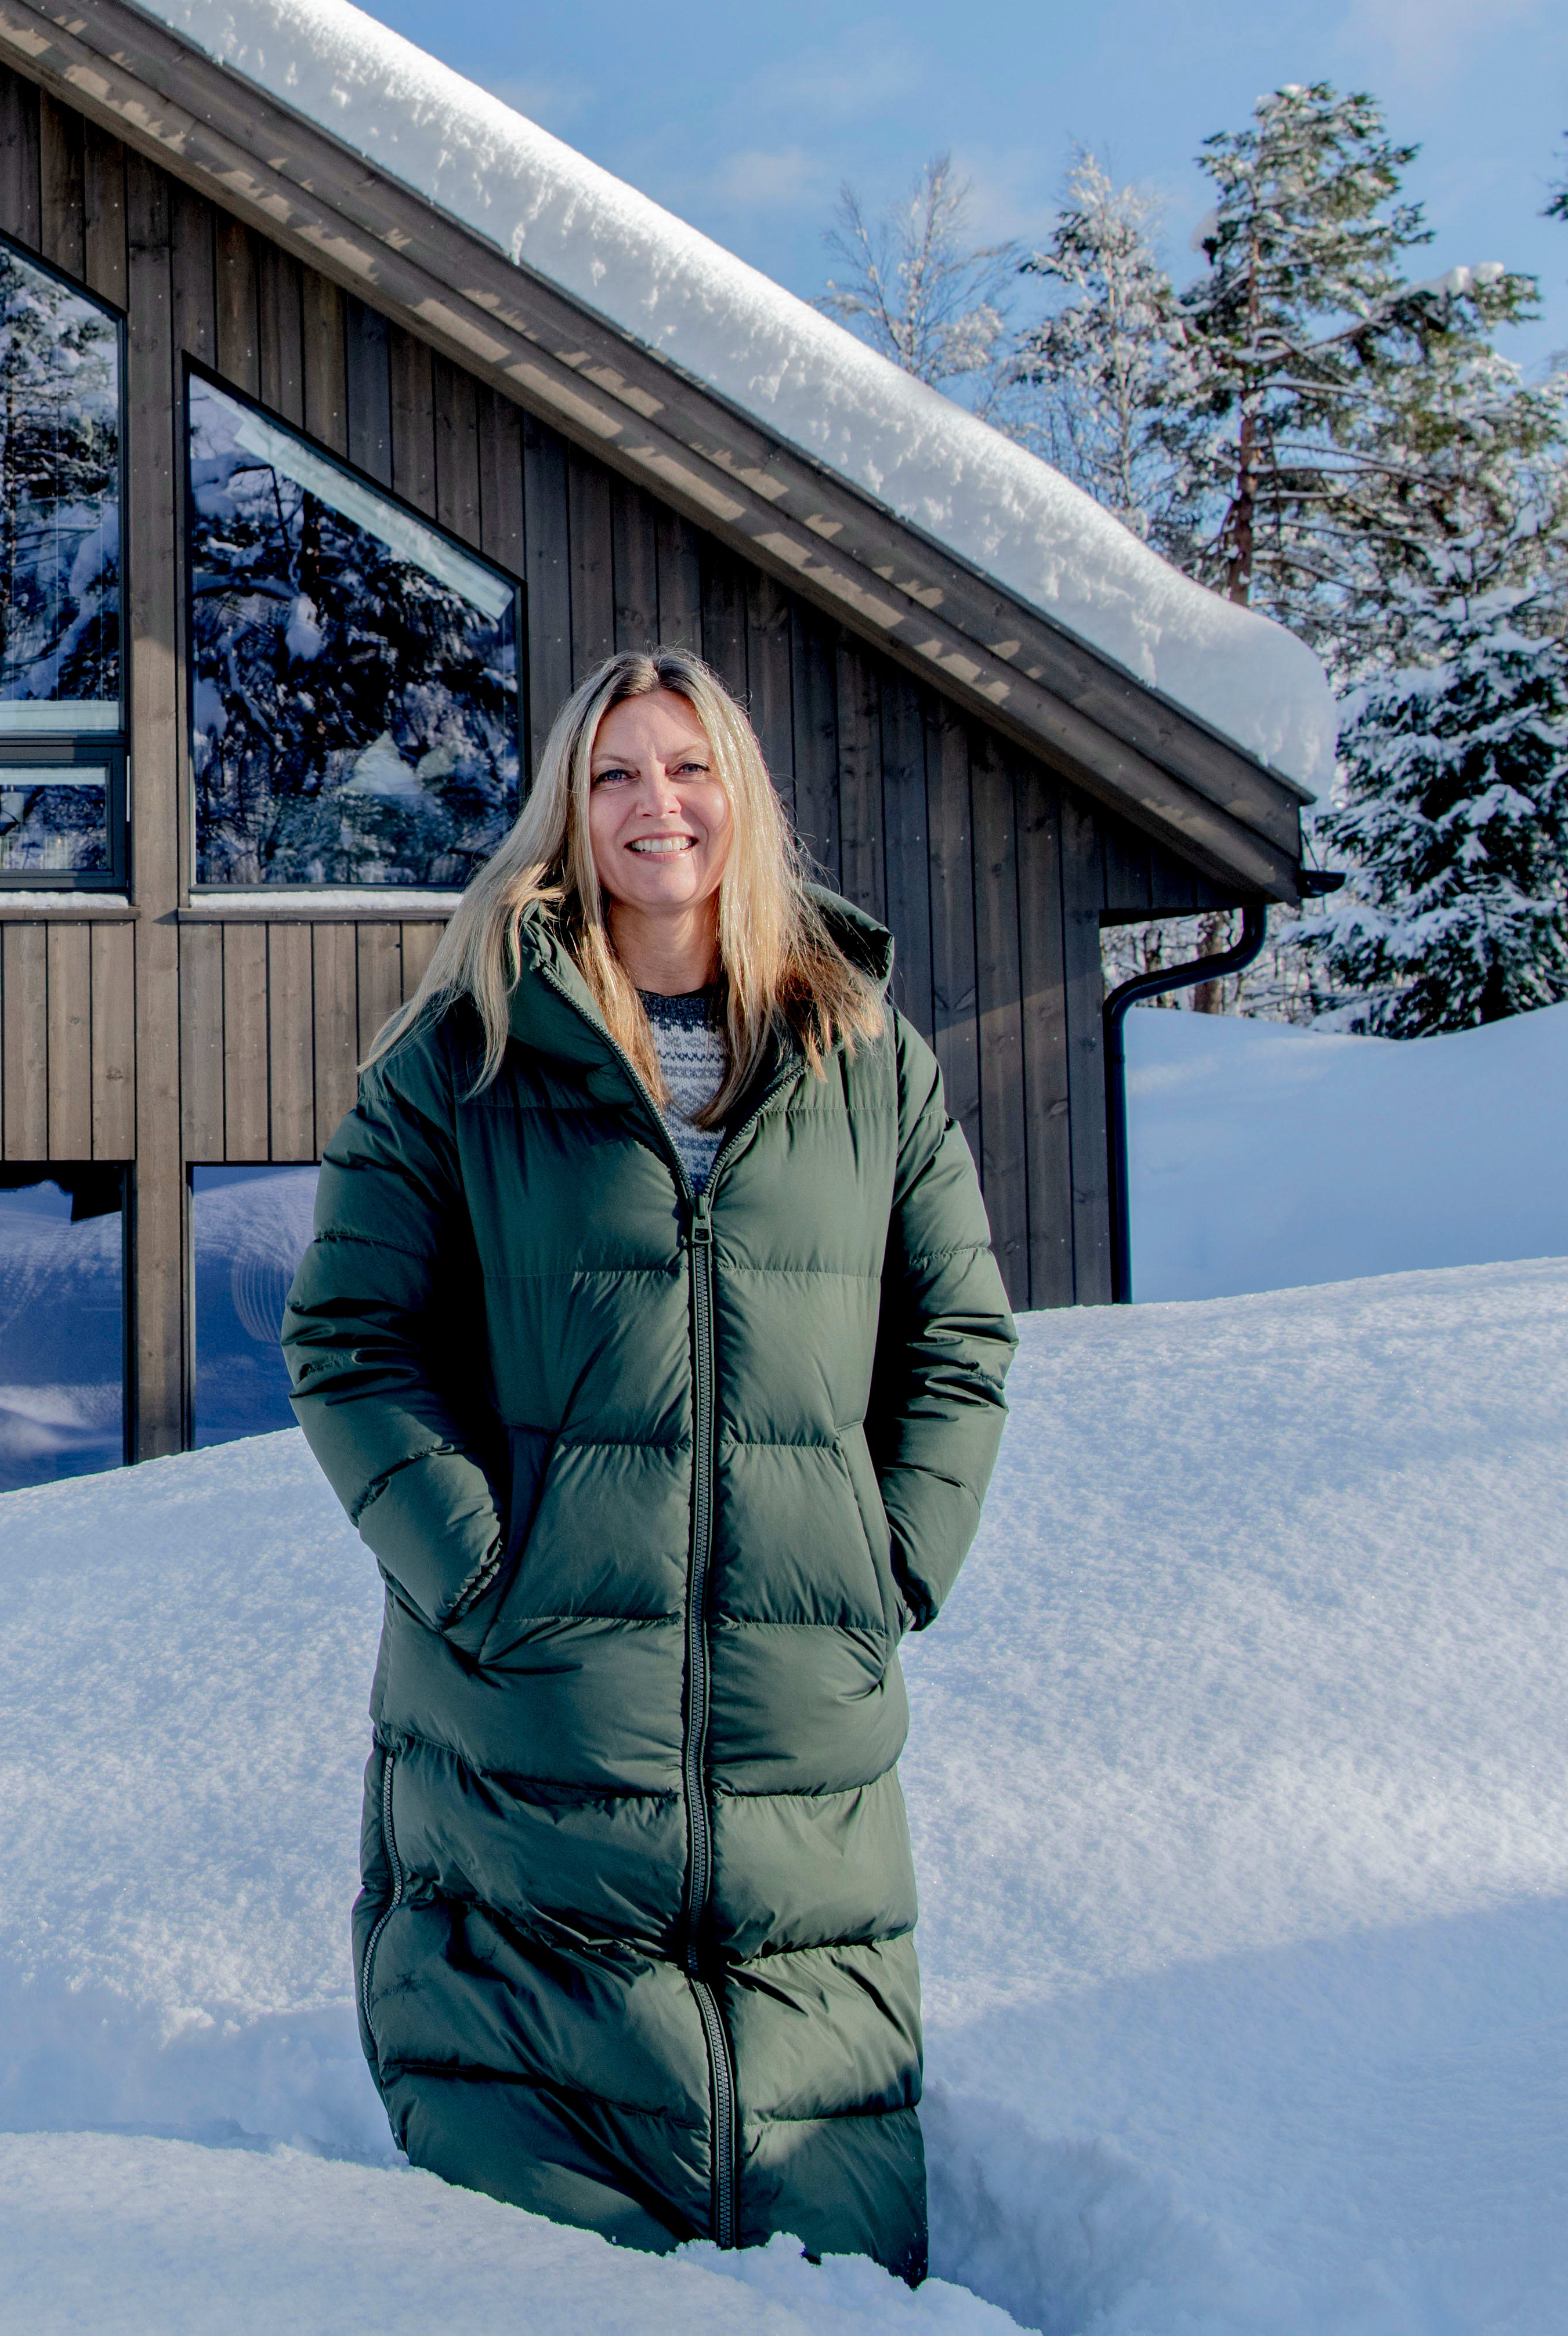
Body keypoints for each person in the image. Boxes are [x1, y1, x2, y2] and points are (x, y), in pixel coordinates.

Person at [284, 648, 1013, 2283]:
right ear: (569, 809)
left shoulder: (865, 1059)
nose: (653, 805)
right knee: (550, 2269)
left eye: (687, 770)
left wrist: (891, 1562)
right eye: (614, 774)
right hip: (532, 1729)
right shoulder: (458, 1059)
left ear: (738, 800)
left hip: (799, 1738)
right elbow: (347, 1341)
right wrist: (480, 1569)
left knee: (829, 2251)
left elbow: (958, 1335)